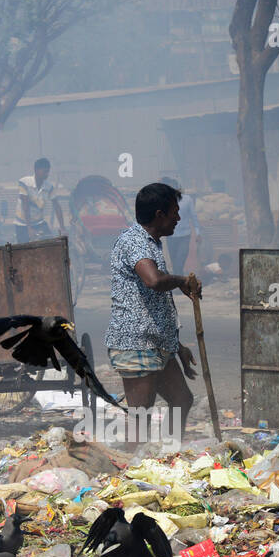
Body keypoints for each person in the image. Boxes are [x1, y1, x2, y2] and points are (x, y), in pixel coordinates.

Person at [104, 181, 202, 442]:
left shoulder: (152, 243)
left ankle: (170, 453)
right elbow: (154, 281)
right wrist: (182, 281)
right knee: (140, 417)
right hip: (135, 343)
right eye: (174, 212)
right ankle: (132, 472)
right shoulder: (134, 241)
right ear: (159, 214)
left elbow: (152, 304)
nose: (178, 219)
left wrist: (177, 345)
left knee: (181, 400)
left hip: (156, 343)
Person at [15, 158, 65, 243]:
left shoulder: (49, 187)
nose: (47, 174)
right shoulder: (24, 182)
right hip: (23, 224)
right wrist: (29, 228)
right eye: (44, 171)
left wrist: (62, 228)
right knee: (24, 249)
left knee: (51, 245)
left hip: (39, 223)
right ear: (36, 170)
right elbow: (25, 206)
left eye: (48, 172)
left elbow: (57, 206)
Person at [161, 177, 200, 274]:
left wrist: (198, 232)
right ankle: (178, 283)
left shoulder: (187, 199)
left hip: (185, 235)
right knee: (174, 262)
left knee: (180, 260)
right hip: (171, 236)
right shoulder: (165, 200)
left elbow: (193, 217)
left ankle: (179, 281)